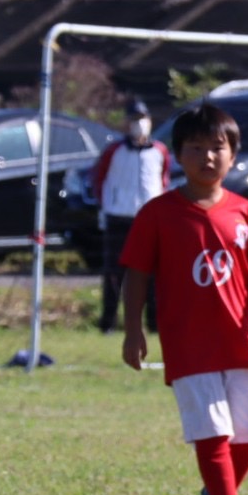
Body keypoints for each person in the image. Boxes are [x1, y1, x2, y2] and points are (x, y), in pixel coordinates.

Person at [120, 104, 248, 495]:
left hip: (239, 339)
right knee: (212, 430)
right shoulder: (158, 214)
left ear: (233, 155)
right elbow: (136, 275)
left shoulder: (246, 213)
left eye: (218, 148)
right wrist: (134, 330)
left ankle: (216, 494)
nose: (208, 157)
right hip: (187, 343)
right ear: (177, 154)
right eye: (196, 148)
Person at [94, 98, 171, 333]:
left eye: (142, 119)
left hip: (149, 218)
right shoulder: (114, 151)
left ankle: (154, 323)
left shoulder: (159, 151)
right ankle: (108, 322)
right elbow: (99, 179)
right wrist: (106, 206)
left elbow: (164, 180)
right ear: (126, 123)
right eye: (134, 120)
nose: (139, 125)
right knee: (113, 274)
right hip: (119, 217)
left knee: (152, 275)